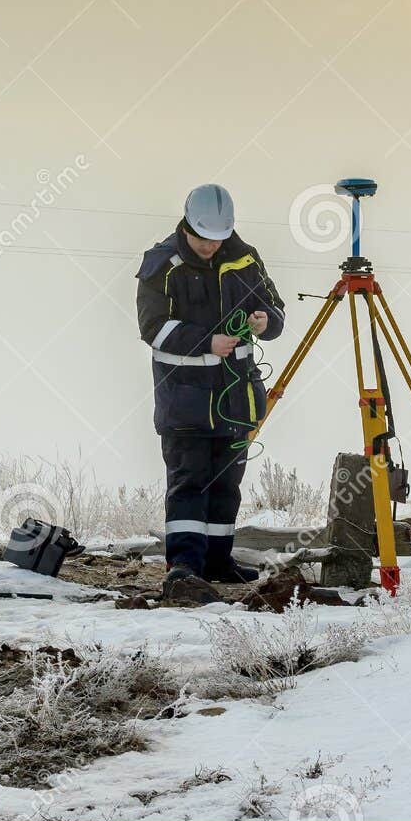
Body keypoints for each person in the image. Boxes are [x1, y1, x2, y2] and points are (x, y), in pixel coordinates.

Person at [136, 184, 286, 597]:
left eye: (217, 239)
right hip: (185, 402)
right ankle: (184, 567)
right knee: (189, 484)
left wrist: (266, 322)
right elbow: (153, 328)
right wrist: (206, 342)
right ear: (187, 226)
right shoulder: (162, 265)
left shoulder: (245, 258)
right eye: (203, 238)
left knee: (225, 486)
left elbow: (275, 310)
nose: (209, 246)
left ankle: (218, 562)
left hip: (236, 400)